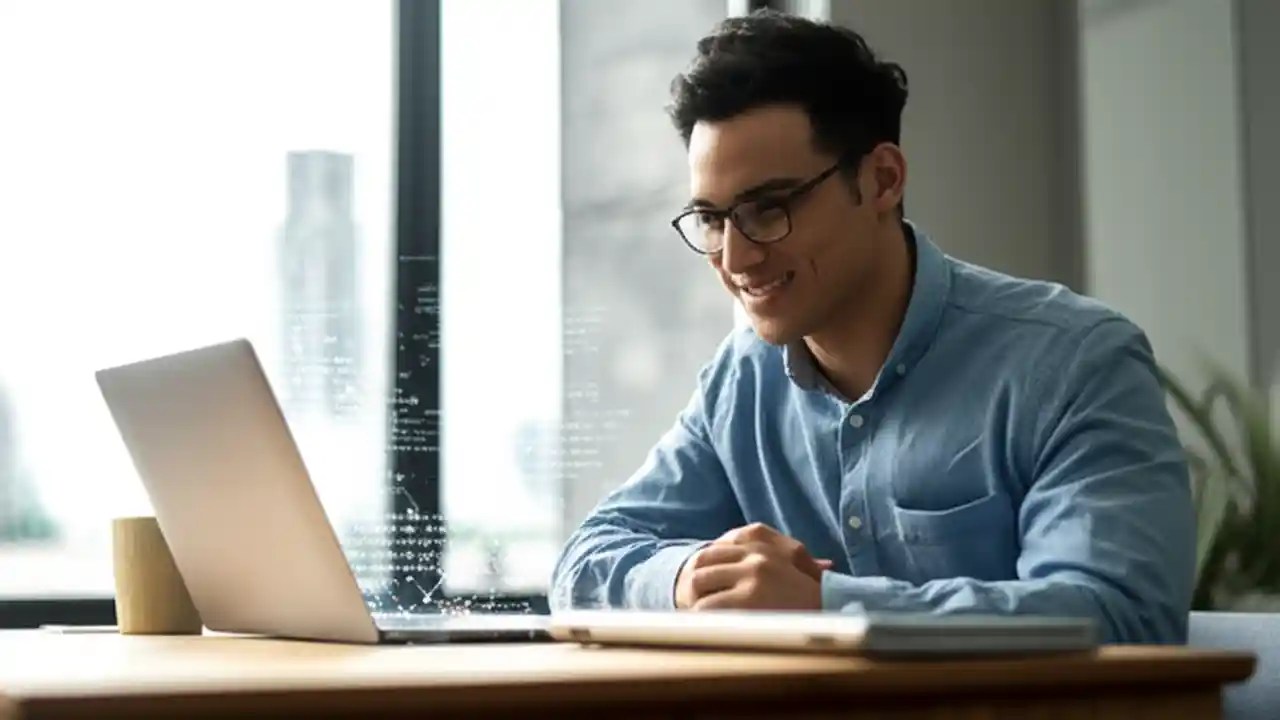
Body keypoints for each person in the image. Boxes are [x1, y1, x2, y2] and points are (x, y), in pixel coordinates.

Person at [549, 10, 1193, 644]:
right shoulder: (740, 381)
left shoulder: (1073, 361)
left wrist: (824, 605)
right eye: (713, 219)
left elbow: (1118, 614)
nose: (736, 258)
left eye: (768, 209)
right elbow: (584, 562)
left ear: (882, 179)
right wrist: (690, 577)